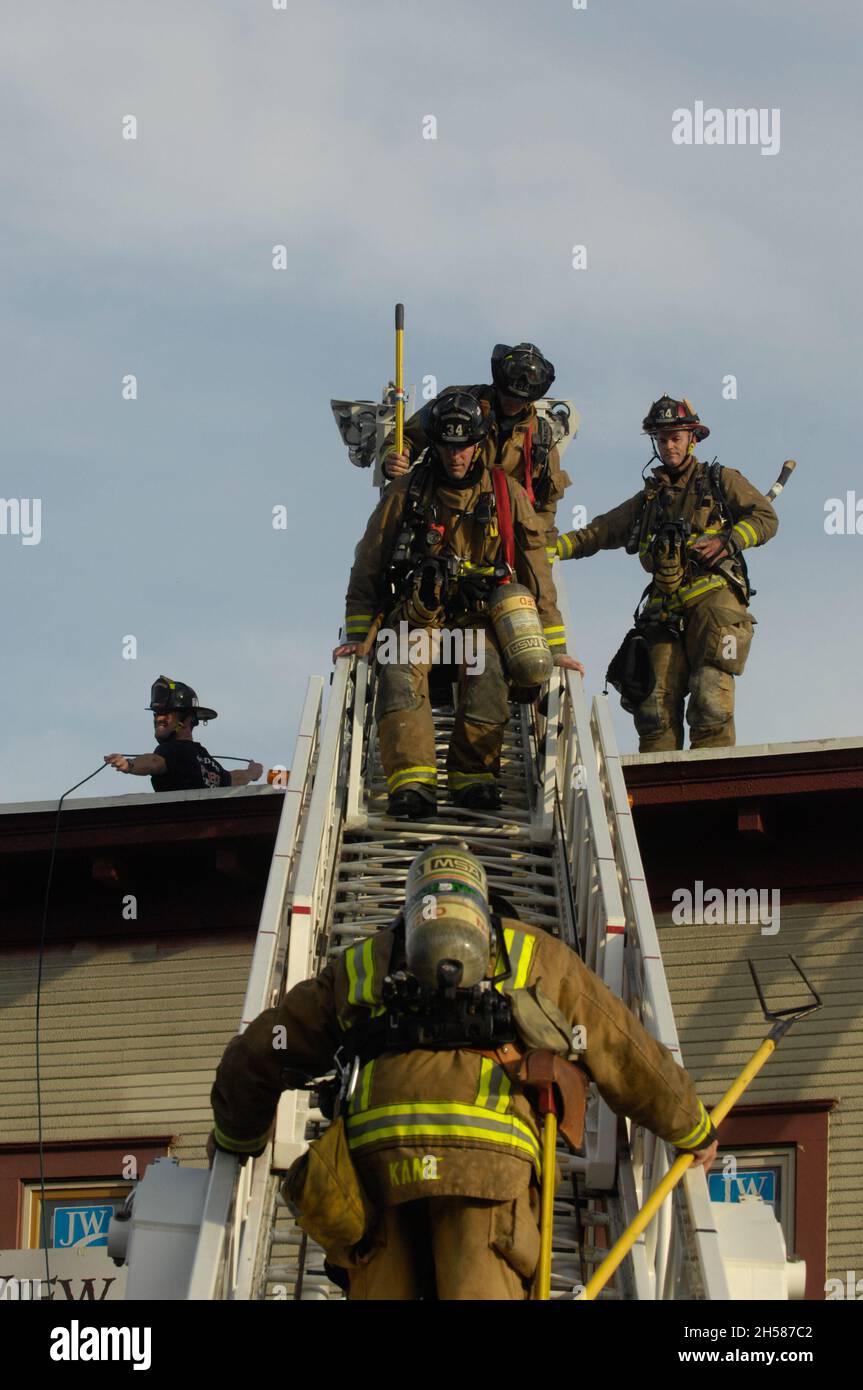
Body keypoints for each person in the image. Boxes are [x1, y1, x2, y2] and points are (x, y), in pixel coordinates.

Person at [209, 845, 718, 1302]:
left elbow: (258, 1052)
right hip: (489, 1161)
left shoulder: (364, 963)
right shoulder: (534, 953)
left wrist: (238, 1136)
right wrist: (690, 1124)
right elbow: (618, 1045)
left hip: (378, 1165)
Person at [334, 392, 582, 818]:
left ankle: (474, 778)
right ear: (435, 445)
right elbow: (368, 567)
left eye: (464, 445)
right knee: (396, 667)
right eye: (447, 446)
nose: (456, 456)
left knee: (487, 669)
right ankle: (412, 782)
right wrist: (359, 637)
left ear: (479, 443)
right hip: (418, 615)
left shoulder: (508, 494)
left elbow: (538, 574)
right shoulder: (404, 493)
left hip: (478, 617)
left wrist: (555, 649)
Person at [555, 395, 778, 750]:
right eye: (661, 439)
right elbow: (597, 532)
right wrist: (545, 549)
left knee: (711, 699)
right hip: (664, 610)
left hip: (713, 604)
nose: (668, 445)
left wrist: (729, 540)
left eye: (675, 437)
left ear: (693, 438)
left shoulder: (720, 481)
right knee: (652, 711)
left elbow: (765, 518)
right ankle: (663, 796)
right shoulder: (648, 500)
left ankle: (712, 792)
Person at [381, 342, 571, 547]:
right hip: (440, 526)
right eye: (508, 397)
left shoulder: (541, 439)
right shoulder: (455, 405)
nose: (512, 405)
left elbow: (546, 505)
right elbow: (406, 436)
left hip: (500, 546)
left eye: (519, 401)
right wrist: (394, 457)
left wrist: (537, 546)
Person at [104, 675, 263, 791]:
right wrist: (252, 773)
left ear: (187, 719)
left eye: (166, 713)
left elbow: (154, 762)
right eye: (156, 713)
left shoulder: (172, 750)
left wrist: (130, 764)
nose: (158, 718)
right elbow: (233, 779)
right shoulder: (207, 761)